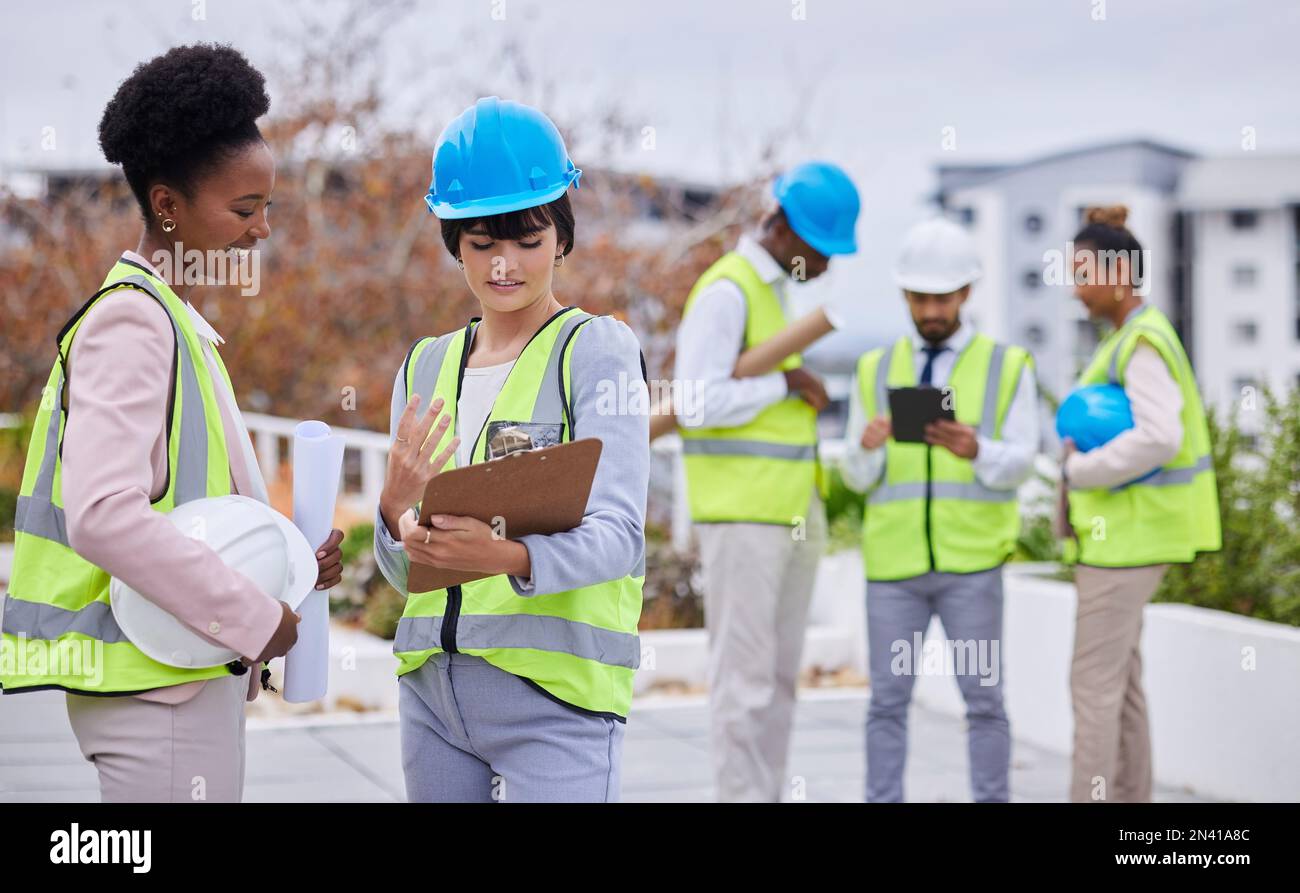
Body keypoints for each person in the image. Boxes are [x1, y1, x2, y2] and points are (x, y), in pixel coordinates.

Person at [0, 44, 343, 802]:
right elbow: (103, 516)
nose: (261, 232)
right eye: (244, 209)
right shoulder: (134, 323)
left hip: (175, 677)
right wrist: (254, 615)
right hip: (158, 695)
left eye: (268, 207)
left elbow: (182, 508)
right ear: (167, 206)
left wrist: (286, 564)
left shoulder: (170, 318)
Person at [372, 96, 649, 803]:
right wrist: (392, 510)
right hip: (432, 699)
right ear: (454, 242)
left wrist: (509, 557)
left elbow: (619, 536)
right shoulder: (425, 364)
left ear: (561, 233)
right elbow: (404, 568)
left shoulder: (595, 352)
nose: (505, 265)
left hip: (555, 701)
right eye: (482, 243)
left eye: (527, 240)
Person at [674, 161, 859, 802]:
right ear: (782, 228)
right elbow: (695, 404)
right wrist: (782, 382)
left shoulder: (777, 293)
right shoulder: (727, 291)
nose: (829, 266)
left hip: (788, 511)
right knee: (744, 683)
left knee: (778, 681)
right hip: (743, 515)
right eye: (822, 249)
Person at [842, 217, 1038, 802]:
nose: (931, 310)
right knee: (887, 703)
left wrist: (977, 449)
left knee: (983, 701)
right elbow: (854, 474)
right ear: (905, 296)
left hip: (971, 565)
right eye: (921, 298)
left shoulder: (1008, 366)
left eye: (942, 298)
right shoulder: (873, 369)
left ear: (967, 293)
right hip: (894, 568)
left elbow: (1024, 460)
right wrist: (867, 447)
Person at [1059, 205, 1220, 803]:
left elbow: (1160, 437)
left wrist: (1080, 472)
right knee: (1121, 687)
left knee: (1093, 690)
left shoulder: (1142, 342)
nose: (1074, 287)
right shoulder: (1134, 337)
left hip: (1127, 540)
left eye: (1081, 272)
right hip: (1127, 537)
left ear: (1117, 275)